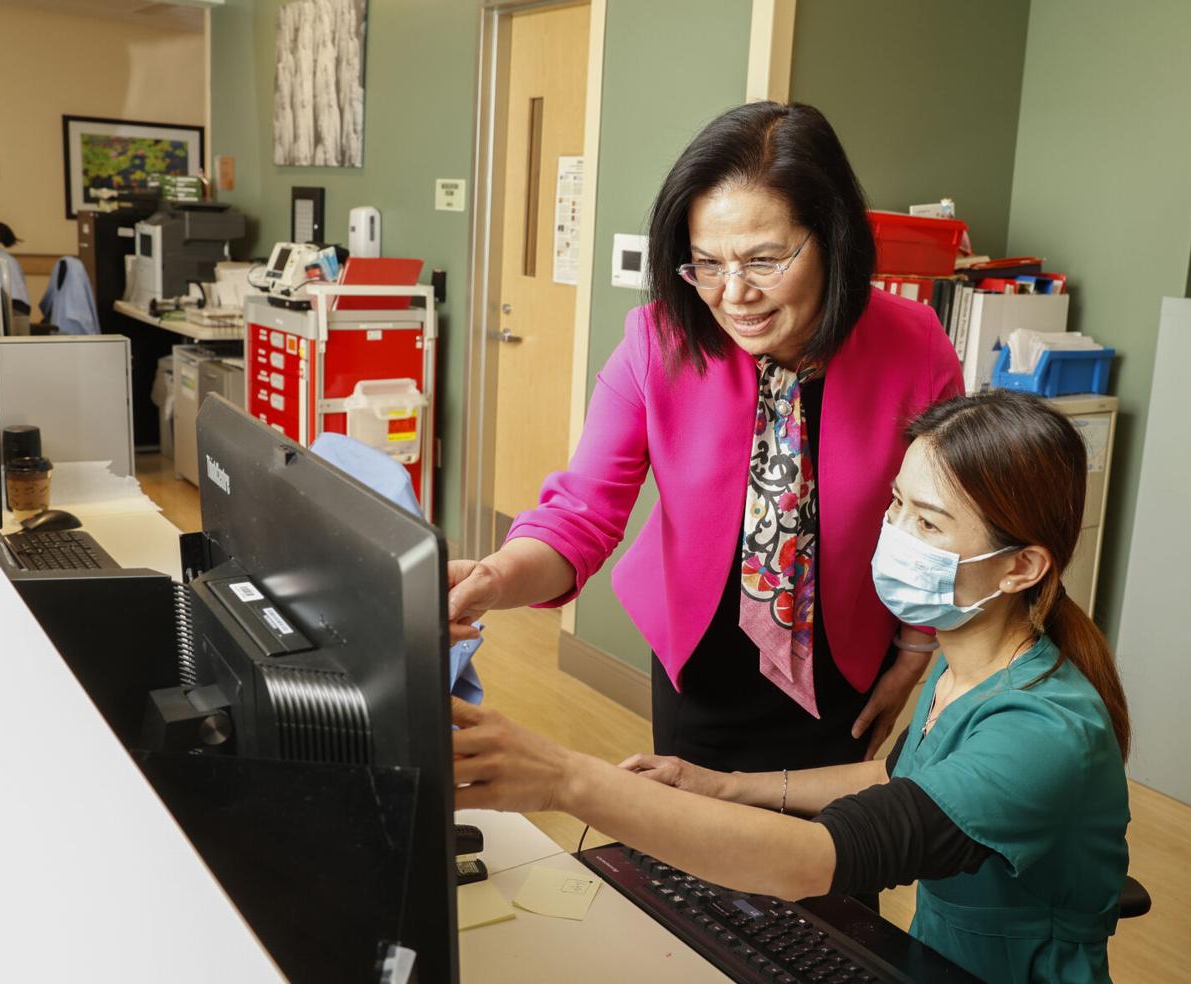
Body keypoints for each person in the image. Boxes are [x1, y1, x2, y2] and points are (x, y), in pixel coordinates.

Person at [454, 390, 1132, 983]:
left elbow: (815, 860)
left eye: (928, 523)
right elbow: (902, 780)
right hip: (928, 959)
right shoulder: (970, 667)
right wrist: (723, 786)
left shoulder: (1041, 731)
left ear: (1021, 567)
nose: (895, 534)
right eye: (897, 504)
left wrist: (565, 779)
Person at [448, 102, 963, 773]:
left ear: (833, 239)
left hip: (847, 666)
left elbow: (946, 525)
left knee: (830, 838)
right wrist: (494, 578)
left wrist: (919, 650)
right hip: (699, 667)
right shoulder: (656, 343)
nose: (733, 294)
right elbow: (580, 515)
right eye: (707, 264)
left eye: (764, 260)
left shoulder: (913, 345)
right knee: (689, 834)